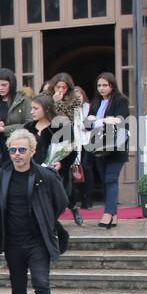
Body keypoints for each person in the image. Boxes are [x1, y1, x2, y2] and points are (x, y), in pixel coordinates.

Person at [0, 128, 67, 294]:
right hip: (13, 241)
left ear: (32, 151)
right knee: (17, 286)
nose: (17, 154)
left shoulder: (45, 176)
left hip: (38, 241)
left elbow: (61, 201)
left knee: (42, 283)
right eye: (13, 150)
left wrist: (46, 218)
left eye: (22, 150)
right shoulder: (2, 176)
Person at [85, 71, 130, 228]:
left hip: (116, 147)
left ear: (112, 85)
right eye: (99, 85)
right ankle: (114, 214)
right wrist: (103, 120)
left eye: (105, 85)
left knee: (111, 178)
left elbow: (120, 120)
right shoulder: (95, 102)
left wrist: (97, 121)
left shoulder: (120, 100)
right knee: (105, 180)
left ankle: (108, 213)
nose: (101, 88)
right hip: (99, 146)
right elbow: (87, 124)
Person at [45, 73, 87, 225]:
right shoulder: (46, 98)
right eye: (58, 87)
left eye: (64, 87)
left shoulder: (73, 101)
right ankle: (52, 215)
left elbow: (72, 121)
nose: (61, 90)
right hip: (49, 141)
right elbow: (45, 117)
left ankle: (73, 206)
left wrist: (56, 103)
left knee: (66, 181)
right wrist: (52, 102)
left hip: (67, 142)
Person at [0, 69, 31, 169]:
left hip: (15, 144)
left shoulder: (23, 100)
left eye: (4, 85)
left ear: (11, 84)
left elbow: (30, 124)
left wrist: (5, 129)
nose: (1, 88)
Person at [28, 92, 57, 165]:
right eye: (31, 108)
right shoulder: (28, 128)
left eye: (36, 108)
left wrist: (61, 163)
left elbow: (71, 151)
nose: (31, 112)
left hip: (55, 172)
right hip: (32, 171)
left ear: (46, 109)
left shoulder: (60, 127)